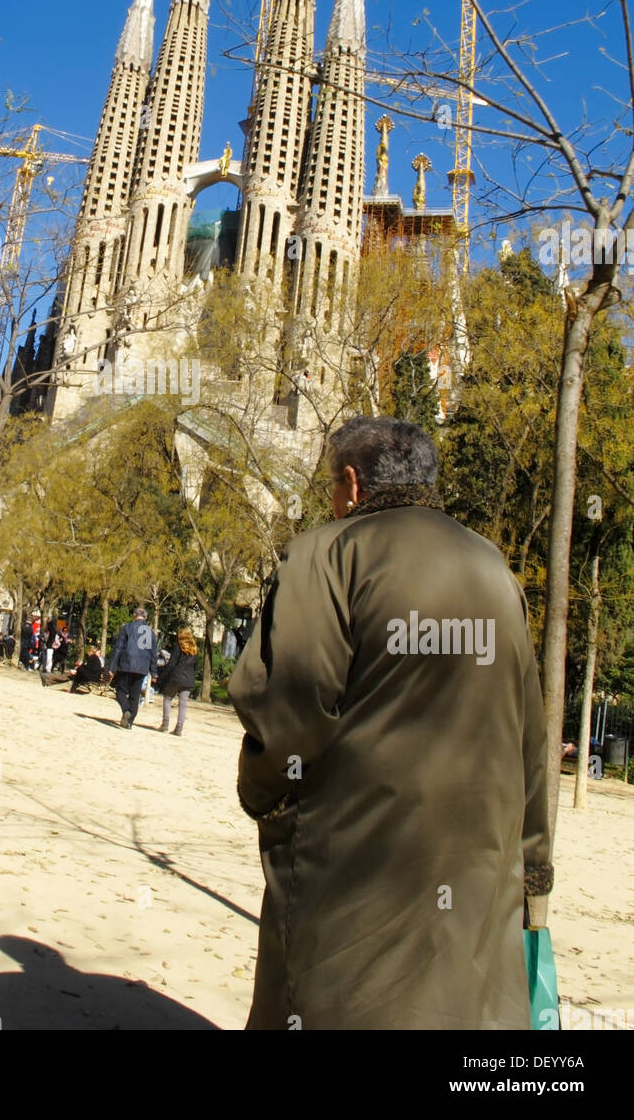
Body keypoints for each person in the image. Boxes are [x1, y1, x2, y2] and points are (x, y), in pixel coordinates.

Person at [228, 416, 552, 1031]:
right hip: (479, 863)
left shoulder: (326, 556)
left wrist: (265, 798)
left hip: (354, 861)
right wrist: (532, 868)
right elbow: (529, 739)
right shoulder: (495, 571)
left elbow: (286, 709)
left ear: (351, 484)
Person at [108, 607, 157, 729]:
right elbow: (153, 653)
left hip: (126, 663)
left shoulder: (127, 627)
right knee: (135, 695)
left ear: (134, 616)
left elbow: (118, 648)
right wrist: (154, 672)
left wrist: (112, 667)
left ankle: (125, 710)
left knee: (120, 690)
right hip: (142, 667)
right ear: (145, 617)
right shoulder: (150, 632)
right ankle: (129, 722)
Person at [157, 627, 198, 736]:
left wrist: (163, 676)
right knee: (183, 704)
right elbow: (195, 666)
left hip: (176, 677)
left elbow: (172, 664)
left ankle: (165, 724)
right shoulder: (195, 649)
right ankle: (179, 728)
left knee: (167, 698)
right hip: (188, 679)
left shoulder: (178, 647)